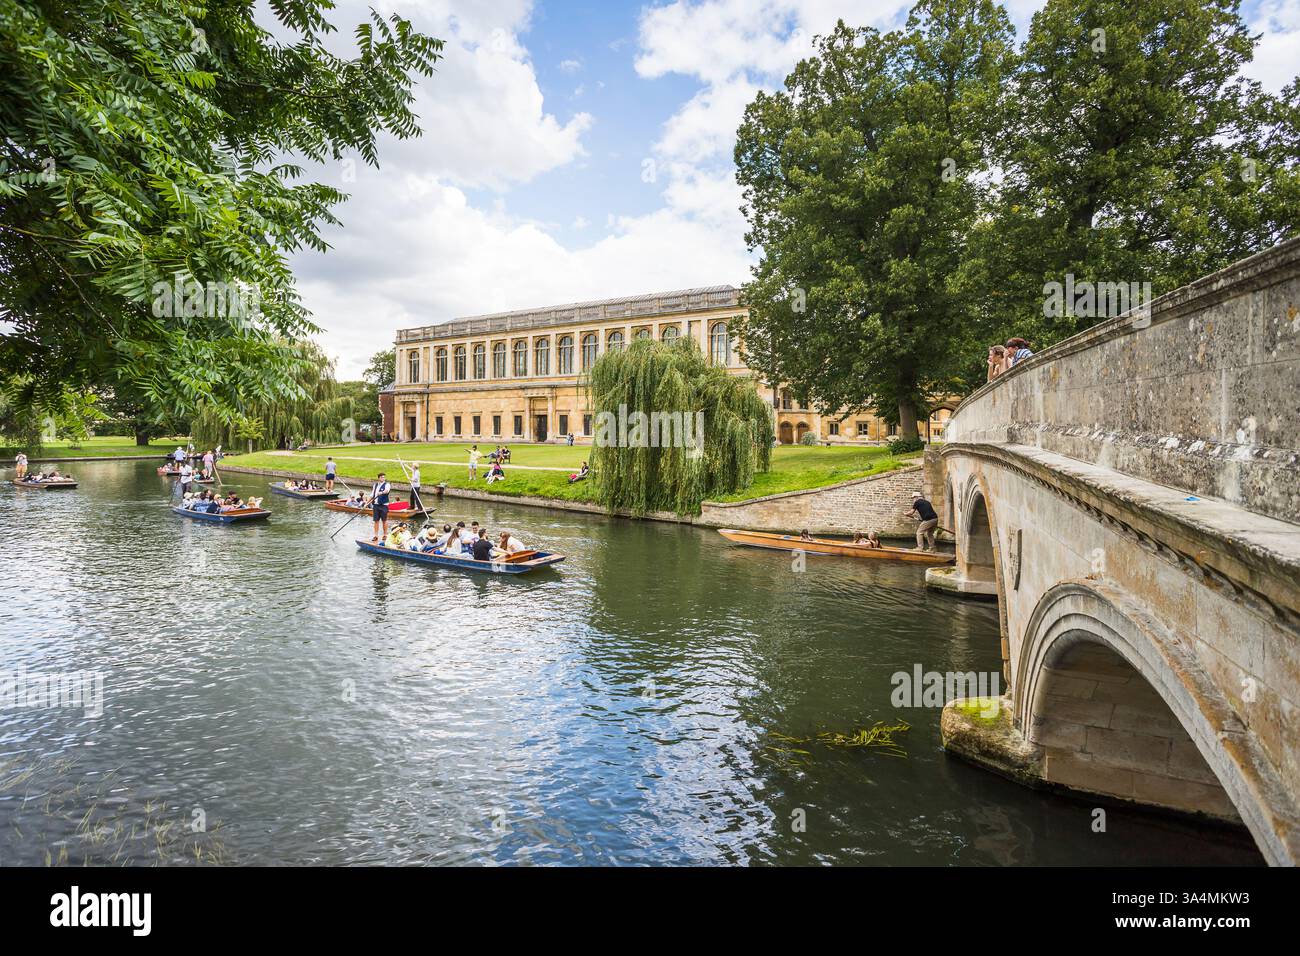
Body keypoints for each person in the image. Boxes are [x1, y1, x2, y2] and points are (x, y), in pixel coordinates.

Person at [370, 472, 392, 543]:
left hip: (384, 505)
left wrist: (381, 493)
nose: (383, 478)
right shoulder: (375, 485)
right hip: (376, 505)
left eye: (384, 477)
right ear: (379, 478)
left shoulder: (387, 484)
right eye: (382, 477)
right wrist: (367, 502)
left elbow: (387, 491)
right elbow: (372, 494)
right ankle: (376, 536)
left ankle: (385, 535)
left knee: (384, 520)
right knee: (376, 521)